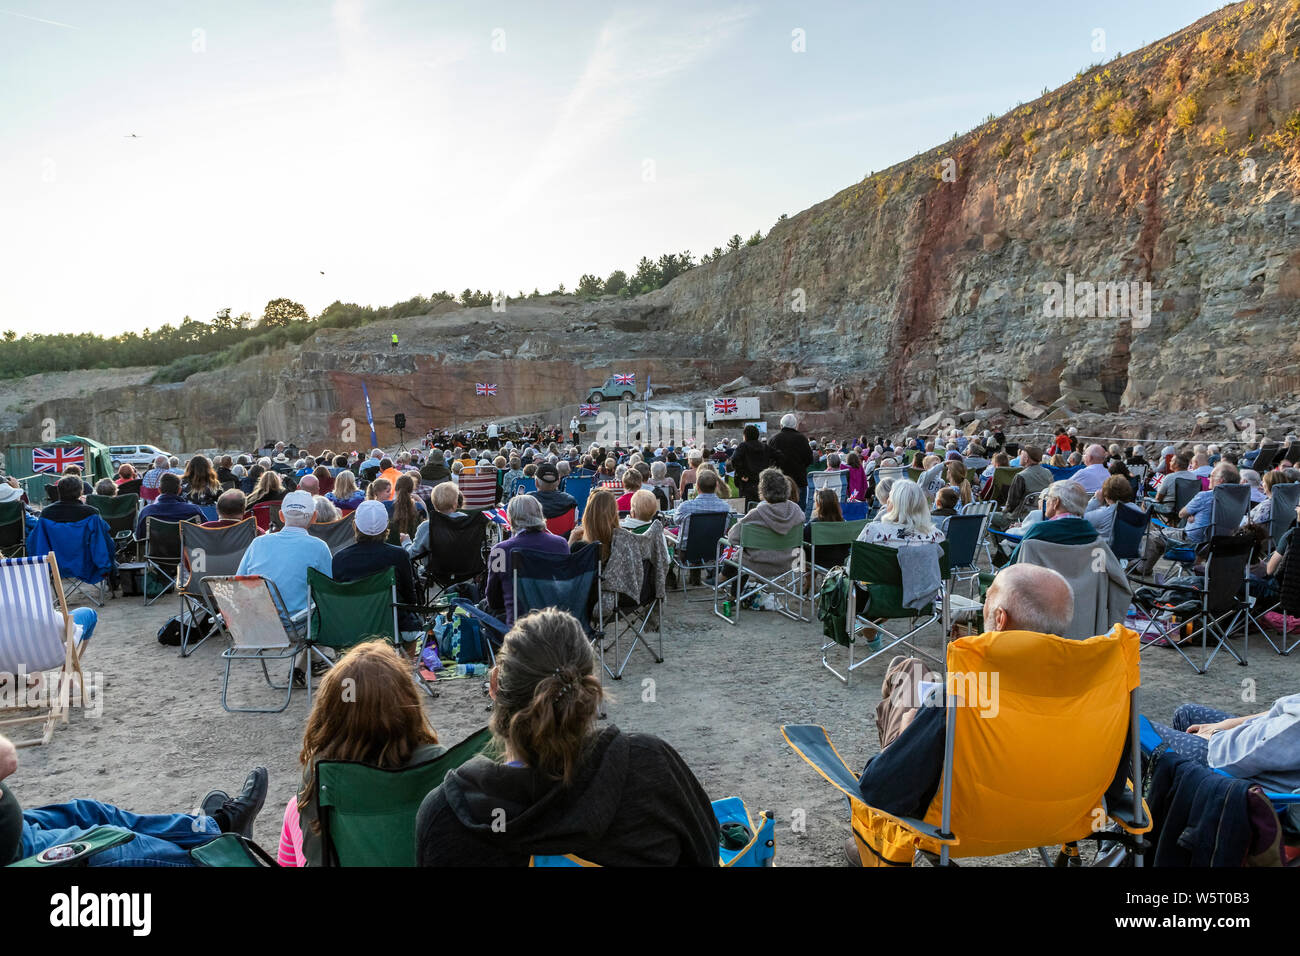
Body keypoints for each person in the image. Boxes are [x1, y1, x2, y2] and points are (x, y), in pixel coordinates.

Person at [415, 608, 718, 866]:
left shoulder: (446, 817)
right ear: (588, 691)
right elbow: (705, 854)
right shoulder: (652, 770)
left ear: (495, 685)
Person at [849, 565, 1088, 864]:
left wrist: (911, 727)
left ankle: (879, 841)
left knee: (908, 680)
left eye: (987, 598)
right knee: (911, 669)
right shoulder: (1090, 694)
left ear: (1000, 619)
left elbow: (877, 790)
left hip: (956, 819)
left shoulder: (963, 697)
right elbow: (1114, 790)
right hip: (1054, 819)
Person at [278, 641, 445, 866]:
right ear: (407, 704)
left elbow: (317, 859)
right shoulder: (438, 762)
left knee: (292, 809)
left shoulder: (321, 774)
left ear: (330, 713)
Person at [1, 732, 267, 867]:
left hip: (20, 832)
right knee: (113, 844)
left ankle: (218, 827)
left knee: (91, 811)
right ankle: (218, 860)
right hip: (15, 855)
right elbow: (6, 757)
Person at [235, 490, 332, 663]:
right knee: (325, 608)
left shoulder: (258, 543)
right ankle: (308, 664)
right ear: (314, 517)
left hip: (255, 627)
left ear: (281, 515)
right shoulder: (319, 547)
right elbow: (329, 592)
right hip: (296, 627)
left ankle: (305, 666)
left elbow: (239, 583)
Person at [1149, 693, 1300, 797]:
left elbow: (1258, 749)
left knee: (1139, 732)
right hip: (1269, 739)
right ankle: (1181, 806)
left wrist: (1215, 736)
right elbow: (1286, 708)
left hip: (1266, 784)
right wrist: (1230, 724)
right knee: (1186, 713)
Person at [331, 501, 424, 654]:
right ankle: (404, 670)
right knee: (411, 625)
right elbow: (411, 599)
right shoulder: (399, 555)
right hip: (392, 626)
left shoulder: (339, 559)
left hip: (352, 628)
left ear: (355, 525)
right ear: (386, 525)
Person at [485, 495, 570, 626]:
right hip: (554, 624)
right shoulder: (561, 545)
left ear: (511, 519)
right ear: (540, 515)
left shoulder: (500, 551)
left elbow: (494, 601)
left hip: (519, 631)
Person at [723, 467, 805, 584]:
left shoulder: (755, 514)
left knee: (740, 551)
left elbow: (733, 537)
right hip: (789, 562)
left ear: (762, 490)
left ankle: (726, 583)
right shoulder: (797, 512)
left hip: (758, 563)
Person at [858, 479, 946, 547]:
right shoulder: (937, 536)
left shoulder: (873, 531)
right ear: (922, 505)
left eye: (890, 497)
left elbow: (854, 564)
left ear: (892, 504)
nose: (888, 500)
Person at [134, 472, 205, 538]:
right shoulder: (193, 510)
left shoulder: (147, 511)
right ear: (180, 490)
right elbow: (206, 532)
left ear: (159, 490)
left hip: (156, 550)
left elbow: (139, 536)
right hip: (186, 549)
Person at [769, 413, 814, 505]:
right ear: (795, 426)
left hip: (780, 481)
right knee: (800, 511)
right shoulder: (802, 439)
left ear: (781, 425)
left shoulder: (774, 439)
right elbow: (809, 459)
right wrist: (800, 467)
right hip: (799, 480)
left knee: (781, 510)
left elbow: (770, 461)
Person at [1084, 474, 1137, 545]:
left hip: (1107, 554)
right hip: (1133, 553)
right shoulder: (1137, 510)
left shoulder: (1103, 514)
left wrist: (1095, 500)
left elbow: (1080, 520)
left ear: (1106, 495)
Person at [804, 488, 849, 568]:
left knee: (805, 550)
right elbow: (847, 545)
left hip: (817, 561)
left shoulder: (813, 525)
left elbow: (804, 541)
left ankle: (809, 580)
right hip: (840, 561)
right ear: (836, 504)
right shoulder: (844, 524)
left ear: (818, 505)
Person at [569, 488, 619, 559]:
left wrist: (571, 541)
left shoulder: (579, 547)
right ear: (615, 513)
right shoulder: (623, 542)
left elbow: (564, 567)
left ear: (587, 514)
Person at [730, 424, 770, 505]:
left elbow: (734, 459)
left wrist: (742, 474)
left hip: (747, 483)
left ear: (745, 435)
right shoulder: (764, 447)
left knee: (747, 508)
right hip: (762, 482)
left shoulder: (743, 446)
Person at [385, 473, 427, 541]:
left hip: (389, 545)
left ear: (395, 488)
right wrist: (420, 501)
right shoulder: (419, 507)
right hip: (412, 547)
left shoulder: (385, 506)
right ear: (411, 490)